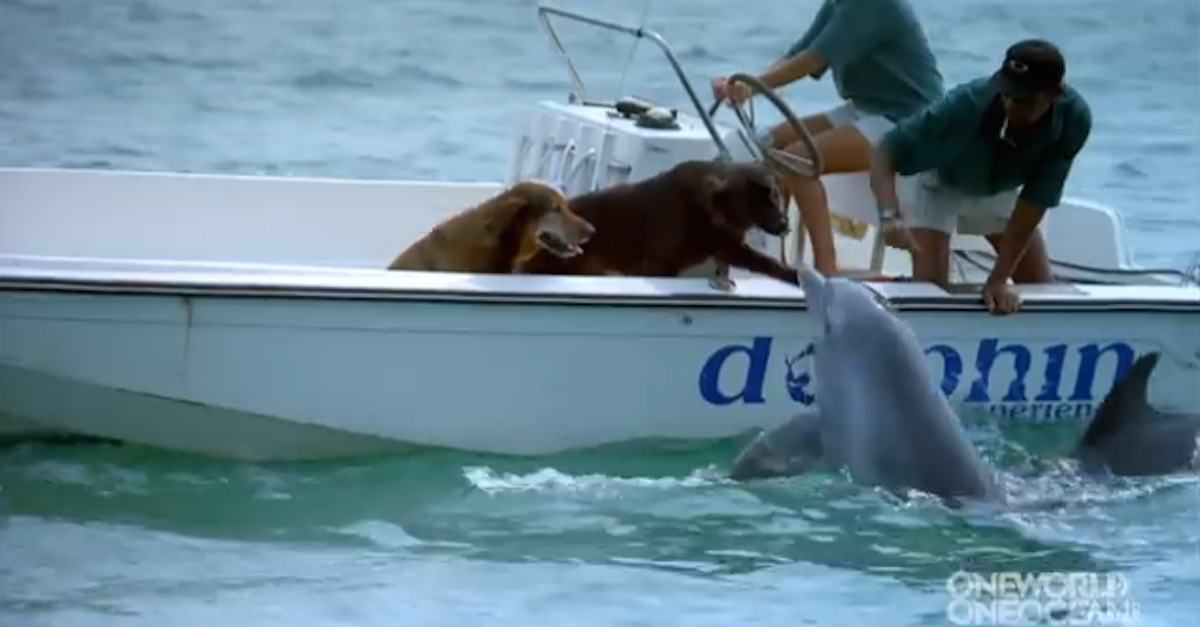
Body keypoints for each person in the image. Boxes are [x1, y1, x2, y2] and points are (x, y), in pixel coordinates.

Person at [711, 0, 943, 276]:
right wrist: (747, 85)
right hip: (868, 107)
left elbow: (814, 59)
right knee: (771, 144)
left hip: (911, 120)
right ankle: (775, 260)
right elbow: (799, 52)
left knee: (797, 159)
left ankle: (827, 272)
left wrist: (753, 87)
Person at [869, 39, 1093, 316]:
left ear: (1055, 93)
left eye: (1024, 100)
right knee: (930, 296)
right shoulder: (969, 102)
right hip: (938, 179)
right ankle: (898, 287)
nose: (1011, 105)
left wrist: (998, 280)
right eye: (1007, 93)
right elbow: (885, 151)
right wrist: (889, 216)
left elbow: (1033, 203)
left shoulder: (1074, 120)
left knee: (1041, 288)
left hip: (996, 187)